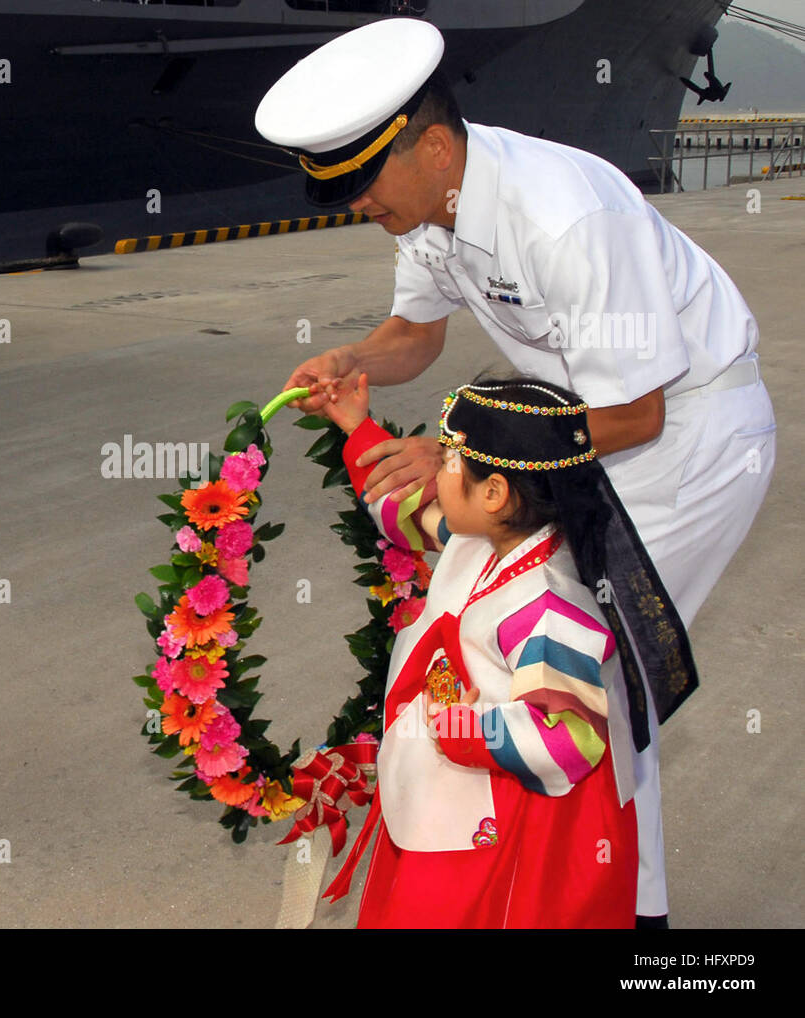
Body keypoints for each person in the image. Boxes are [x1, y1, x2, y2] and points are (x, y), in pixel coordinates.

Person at [256, 18, 776, 926]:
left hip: (684, 441)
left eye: (365, 185)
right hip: (568, 432)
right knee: (557, 671)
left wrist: (471, 452)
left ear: (434, 144)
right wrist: (355, 362)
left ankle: (616, 909)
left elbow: (636, 412)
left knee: (590, 678)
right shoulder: (429, 208)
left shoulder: (565, 217)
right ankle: (558, 890)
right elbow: (416, 334)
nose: (356, 206)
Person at [312, 370, 696, 927]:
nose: (434, 469)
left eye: (448, 461)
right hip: (464, 803)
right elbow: (407, 509)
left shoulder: (548, 609)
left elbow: (569, 737)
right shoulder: (487, 540)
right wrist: (355, 424)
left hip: (513, 832)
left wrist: (457, 730)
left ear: (494, 493)